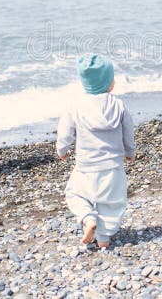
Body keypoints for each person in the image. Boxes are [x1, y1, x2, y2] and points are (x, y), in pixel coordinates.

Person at [57, 54, 136, 249]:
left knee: (75, 194)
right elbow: (128, 132)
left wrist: (62, 149)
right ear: (110, 83)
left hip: (86, 167)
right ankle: (103, 238)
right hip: (113, 167)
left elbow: (65, 131)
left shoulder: (76, 107)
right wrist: (130, 152)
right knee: (110, 204)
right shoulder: (118, 105)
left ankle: (88, 218)